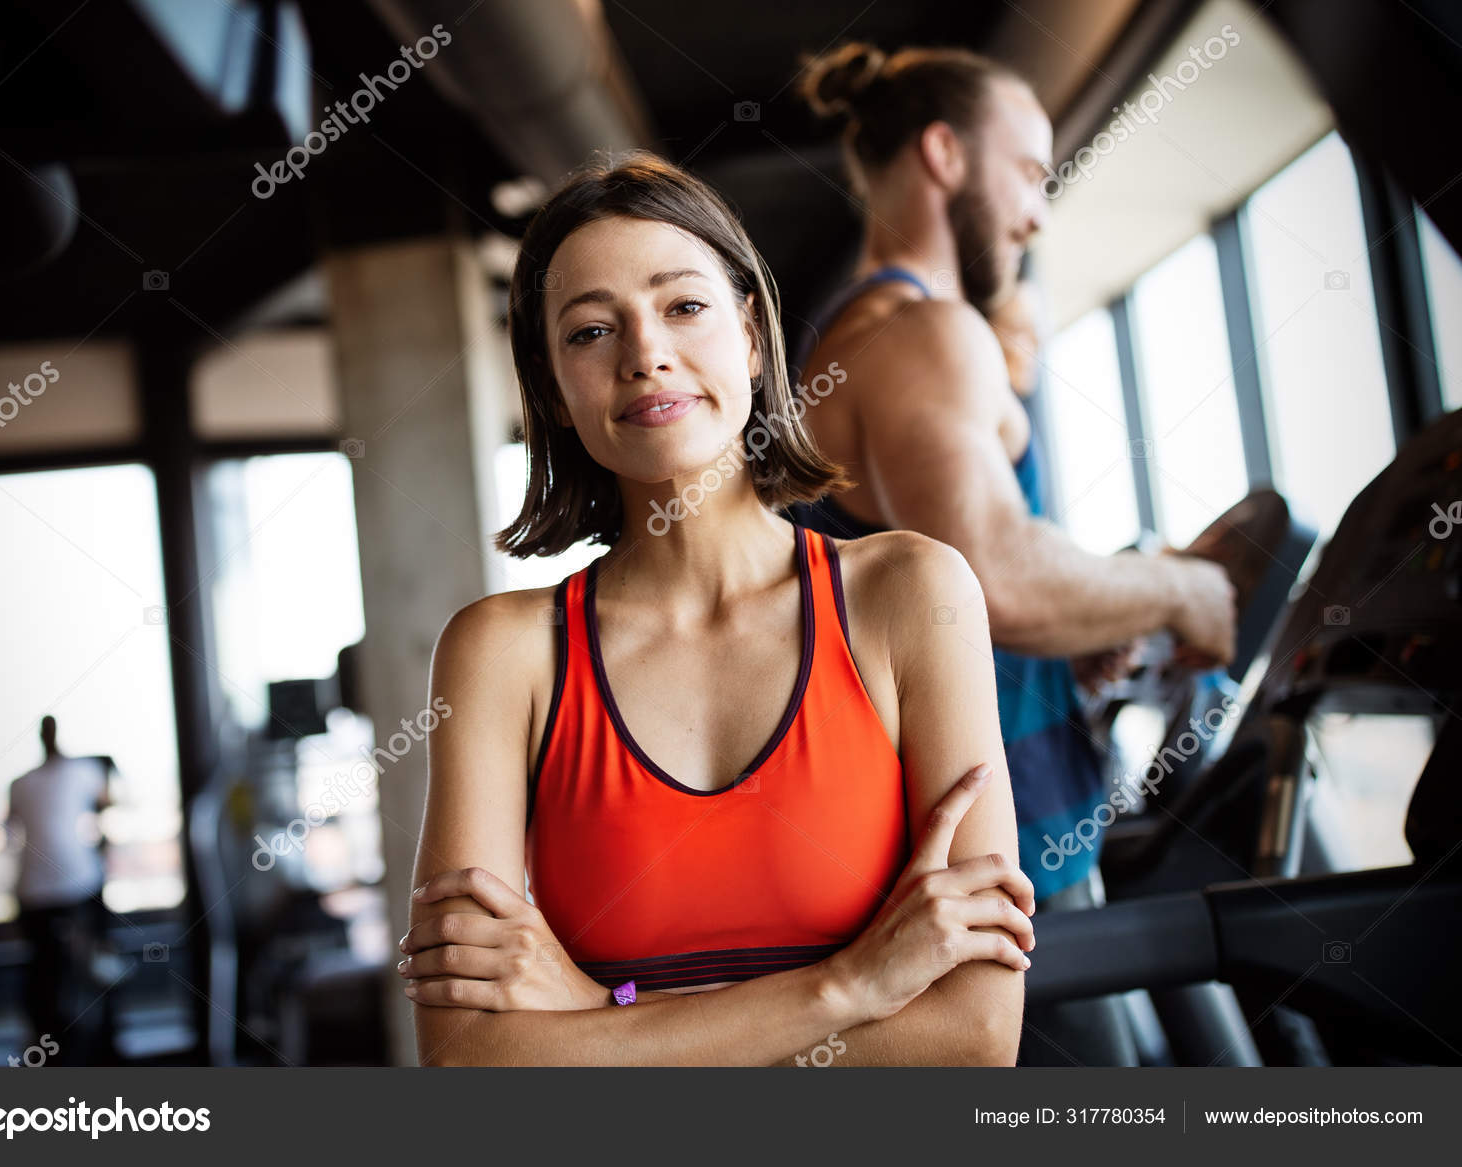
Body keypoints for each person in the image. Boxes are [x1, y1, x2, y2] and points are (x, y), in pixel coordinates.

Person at [400, 150, 1037, 1066]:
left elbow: (972, 1039)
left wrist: (589, 1014)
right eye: (588, 332)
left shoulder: (911, 596)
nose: (645, 353)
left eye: (684, 306)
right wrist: (851, 985)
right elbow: (468, 1059)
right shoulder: (502, 654)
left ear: (749, 333)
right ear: (552, 385)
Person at [780, 43, 1237, 1064]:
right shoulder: (921, 331)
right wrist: (1180, 588)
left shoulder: (859, 336)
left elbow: (950, 599)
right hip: (996, 857)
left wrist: (1070, 636)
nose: (1038, 211)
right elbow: (992, 575)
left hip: (997, 845)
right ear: (944, 154)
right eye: (1028, 172)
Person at [4, 715, 112, 1061]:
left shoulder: (20, 783)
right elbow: (107, 804)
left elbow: (9, 833)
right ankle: (99, 1035)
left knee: (42, 966)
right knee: (93, 956)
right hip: (77, 882)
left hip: (33, 889)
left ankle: (47, 1040)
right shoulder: (84, 772)